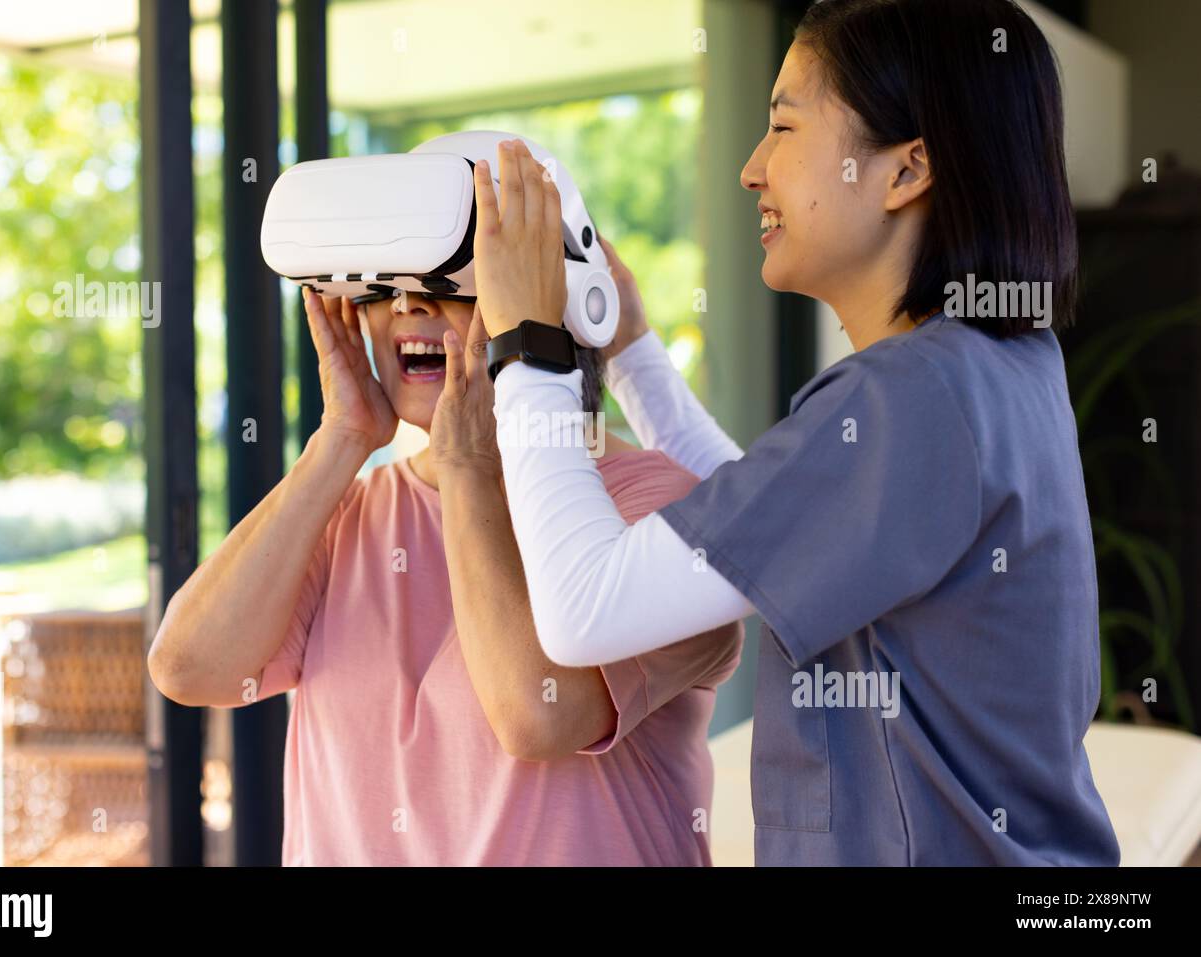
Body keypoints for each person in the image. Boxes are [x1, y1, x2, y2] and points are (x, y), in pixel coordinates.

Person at [470, 0, 1120, 865]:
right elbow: (768, 524)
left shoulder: (909, 395)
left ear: (905, 170)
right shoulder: (1002, 366)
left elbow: (586, 609)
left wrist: (529, 350)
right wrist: (628, 348)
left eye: (783, 126)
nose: (750, 169)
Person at [147, 239, 743, 864]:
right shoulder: (348, 510)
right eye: (383, 288)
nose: (407, 304)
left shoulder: (664, 511)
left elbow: (538, 715)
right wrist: (341, 439)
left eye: (451, 281)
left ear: (552, 307)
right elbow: (188, 670)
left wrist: (468, 462)